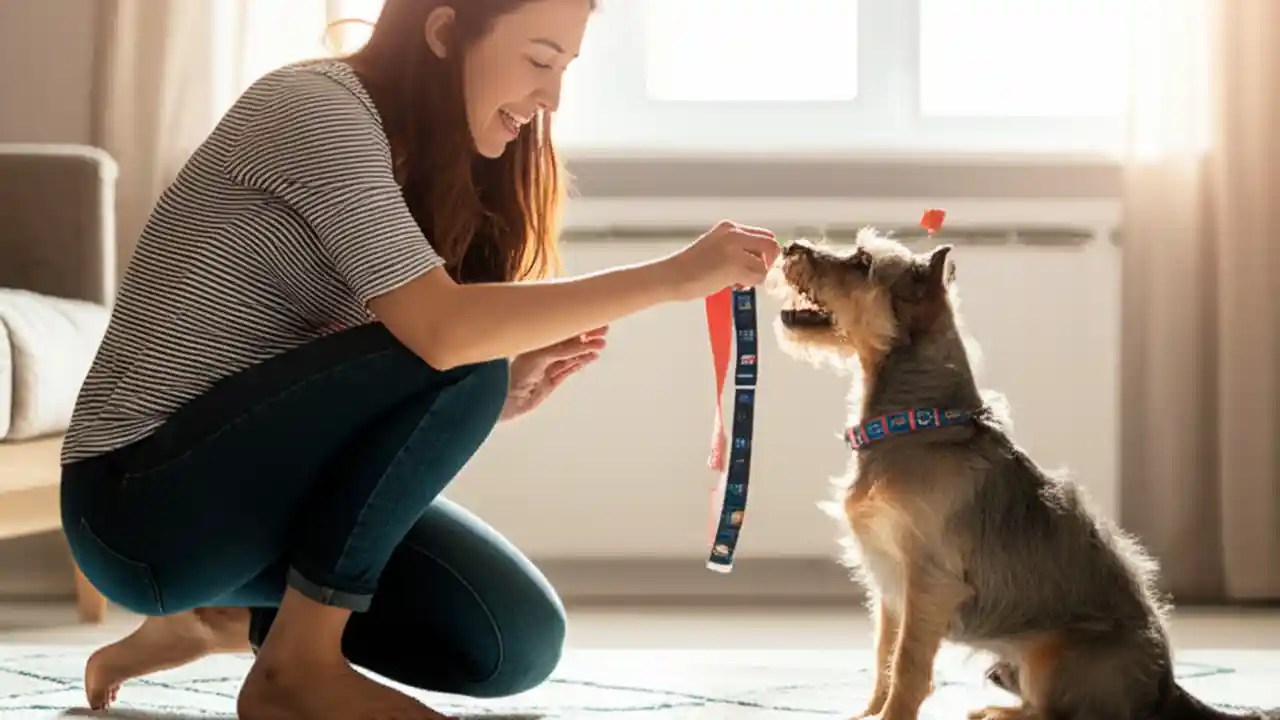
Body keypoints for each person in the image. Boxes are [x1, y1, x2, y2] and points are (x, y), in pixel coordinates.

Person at [58, 0, 779, 718]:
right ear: (443, 32)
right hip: (135, 506)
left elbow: (359, 392)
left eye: (563, 69)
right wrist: (669, 279)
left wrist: (495, 395)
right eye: (538, 61)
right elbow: (441, 334)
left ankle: (220, 621)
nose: (551, 97)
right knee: (464, 349)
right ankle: (296, 670)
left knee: (514, 639)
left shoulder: (426, 160)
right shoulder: (314, 110)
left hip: (240, 510)